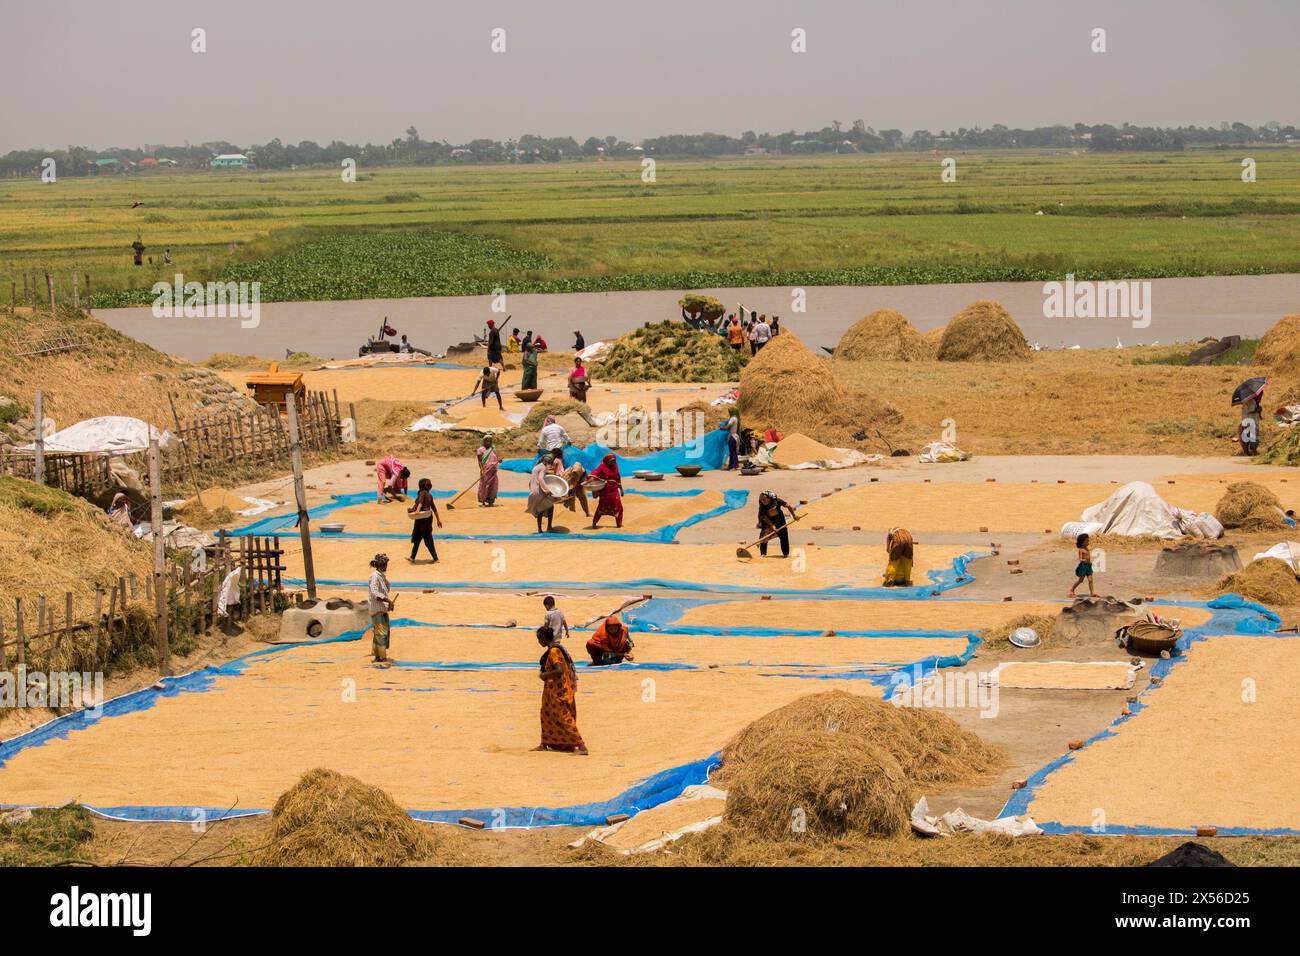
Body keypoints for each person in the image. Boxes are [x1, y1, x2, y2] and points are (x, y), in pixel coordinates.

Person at [534, 626, 587, 754]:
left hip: (559, 692)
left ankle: (581, 746)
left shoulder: (554, 652)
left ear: (544, 638)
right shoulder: (555, 649)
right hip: (552, 692)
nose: (539, 642)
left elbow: (559, 670)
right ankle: (546, 743)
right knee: (547, 715)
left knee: (564, 717)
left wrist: (544, 675)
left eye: (539, 639)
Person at [367, 554, 395, 666]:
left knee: (382, 632)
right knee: (381, 633)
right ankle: (381, 658)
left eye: (386, 564)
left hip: (382, 609)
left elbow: (385, 589)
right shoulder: (375, 576)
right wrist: (388, 600)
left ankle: (378, 656)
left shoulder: (381, 576)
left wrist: (388, 603)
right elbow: (374, 592)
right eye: (384, 564)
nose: (385, 566)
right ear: (379, 565)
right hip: (376, 610)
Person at [408, 478, 442, 563]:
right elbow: (434, 508)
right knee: (420, 539)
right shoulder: (429, 495)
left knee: (425, 539)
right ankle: (412, 557)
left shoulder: (422, 493)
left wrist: (417, 511)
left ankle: (435, 558)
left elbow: (420, 502)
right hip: (428, 519)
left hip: (421, 520)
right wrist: (438, 520)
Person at [757, 490, 797, 557]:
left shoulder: (778, 501)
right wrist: (772, 525)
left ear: (770, 498)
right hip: (768, 523)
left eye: (764, 499)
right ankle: (763, 554)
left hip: (780, 521)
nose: (763, 501)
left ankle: (785, 554)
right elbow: (764, 517)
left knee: (784, 537)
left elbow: (788, 506)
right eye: (761, 500)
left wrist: (794, 516)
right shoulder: (762, 506)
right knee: (763, 537)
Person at [589, 452, 623, 529]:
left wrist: (621, 489)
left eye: (614, 460)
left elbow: (618, 478)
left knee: (618, 507)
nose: (613, 462)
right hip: (605, 491)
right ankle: (594, 523)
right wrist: (589, 481)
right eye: (611, 461)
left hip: (614, 491)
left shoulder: (615, 467)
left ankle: (619, 524)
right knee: (601, 507)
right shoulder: (602, 467)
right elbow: (594, 474)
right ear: (607, 461)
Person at [526, 453, 558, 533]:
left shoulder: (537, 466)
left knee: (540, 509)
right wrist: (547, 490)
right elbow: (541, 479)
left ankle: (540, 529)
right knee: (550, 507)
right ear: (547, 462)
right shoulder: (543, 468)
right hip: (539, 491)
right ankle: (549, 527)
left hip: (534, 491)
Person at [1069, 532, 1097, 599]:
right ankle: (1072, 589)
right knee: (1080, 580)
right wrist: (1083, 560)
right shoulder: (1081, 550)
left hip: (1088, 566)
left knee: (1090, 580)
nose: (1088, 542)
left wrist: (1089, 562)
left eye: (1088, 540)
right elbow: (1080, 558)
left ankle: (1092, 592)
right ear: (1082, 542)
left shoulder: (1087, 548)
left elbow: (1088, 557)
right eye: (1086, 541)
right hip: (1083, 566)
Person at [476, 436, 500, 506]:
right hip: (486, 470)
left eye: (490, 441)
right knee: (484, 485)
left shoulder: (493, 449)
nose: (488, 442)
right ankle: (483, 501)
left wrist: (499, 460)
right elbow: (480, 461)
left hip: (493, 471)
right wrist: (482, 470)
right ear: (483, 441)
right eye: (487, 441)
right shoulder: (481, 450)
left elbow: (497, 458)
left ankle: (491, 501)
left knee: (493, 485)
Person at [1240, 388, 1263, 456]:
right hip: (1250, 422)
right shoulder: (1251, 401)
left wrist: (1259, 412)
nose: (1261, 397)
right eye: (1260, 395)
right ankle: (1252, 451)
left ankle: (1248, 451)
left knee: (1249, 437)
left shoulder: (1254, 401)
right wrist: (1258, 409)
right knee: (1253, 437)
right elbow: (1251, 410)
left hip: (1250, 421)